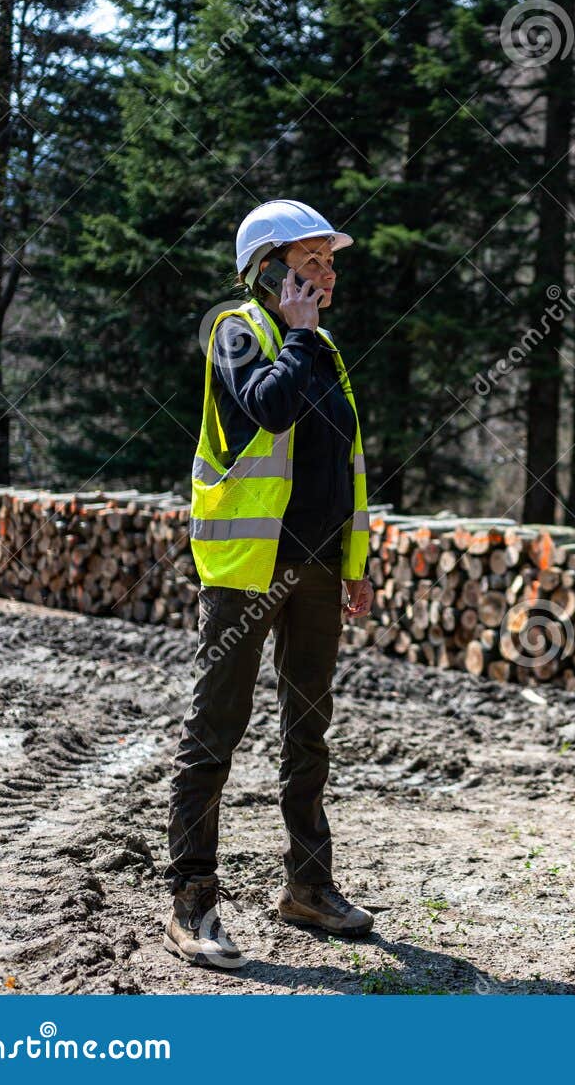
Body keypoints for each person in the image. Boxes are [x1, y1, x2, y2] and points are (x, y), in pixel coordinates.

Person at [163, 199, 377, 968]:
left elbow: (345, 465)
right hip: (246, 572)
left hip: (319, 567)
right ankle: (191, 900)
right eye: (313, 260)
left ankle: (308, 888)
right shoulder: (238, 331)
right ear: (269, 268)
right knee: (215, 730)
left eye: (329, 261)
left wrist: (355, 565)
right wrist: (295, 334)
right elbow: (268, 409)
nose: (328, 272)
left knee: (307, 731)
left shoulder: (321, 347)